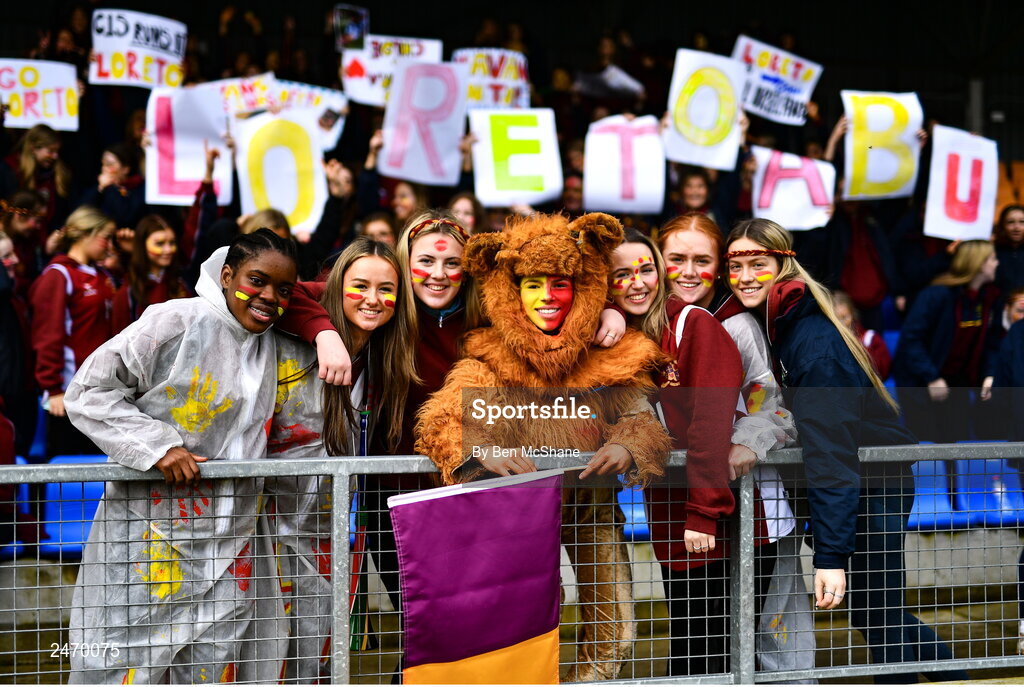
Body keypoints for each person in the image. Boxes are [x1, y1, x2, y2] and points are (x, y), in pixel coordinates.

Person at [414, 211, 672, 682]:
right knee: (521, 629)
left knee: (615, 627)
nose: (548, 297)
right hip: (517, 514)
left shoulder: (611, 352)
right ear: (512, 291)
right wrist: (479, 453)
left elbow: (641, 418)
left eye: (560, 283)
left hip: (591, 507)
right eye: (533, 284)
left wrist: (628, 445)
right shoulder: (489, 356)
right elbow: (442, 422)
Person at [725, 218, 967, 683]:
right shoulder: (779, 323)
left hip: (872, 487)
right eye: (737, 266)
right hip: (859, 486)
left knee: (878, 616)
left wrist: (831, 557)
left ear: (783, 266)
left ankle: (952, 672)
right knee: (878, 611)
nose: (747, 276)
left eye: (759, 263)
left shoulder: (812, 343)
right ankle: (956, 670)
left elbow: (831, 455)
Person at [64, 229, 298, 684]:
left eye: (283, 290)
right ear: (227, 275)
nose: (269, 297)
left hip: (230, 544)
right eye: (257, 280)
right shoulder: (177, 321)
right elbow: (89, 390)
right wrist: (157, 447)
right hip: (150, 538)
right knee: (121, 661)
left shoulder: (272, 344)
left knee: (210, 665)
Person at [652, 214, 803, 674]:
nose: (689, 271)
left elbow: (773, 406)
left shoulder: (736, 327)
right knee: (699, 644)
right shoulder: (655, 319)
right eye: (677, 259)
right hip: (685, 506)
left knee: (738, 649)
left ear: (718, 267)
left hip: (746, 511)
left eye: (703, 260)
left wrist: (741, 443)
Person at [266, 237, 416, 681]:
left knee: (314, 649)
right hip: (265, 520)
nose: (374, 299)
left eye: (386, 289)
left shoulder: (384, 349)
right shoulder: (300, 333)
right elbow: (277, 291)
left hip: (327, 527)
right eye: (360, 285)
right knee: (259, 642)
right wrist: (325, 332)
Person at [29, 206, 117, 458]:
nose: (110, 246)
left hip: (102, 391)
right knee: (69, 471)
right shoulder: (59, 275)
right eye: (106, 237)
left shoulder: (103, 274)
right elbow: (48, 334)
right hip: (69, 394)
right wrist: (53, 389)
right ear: (85, 234)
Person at [892, 240, 1001, 442]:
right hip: (922, 382)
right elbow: (911, 340)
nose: (997, 263)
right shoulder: (936, 295)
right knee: (926, 447)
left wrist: (988, 374)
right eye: (993, 259)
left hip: (957, 382)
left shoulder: (987, 298)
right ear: (979, 263)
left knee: (956, 442)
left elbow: (990, 344)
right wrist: (931, 377)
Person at [111, 215, 191, 335]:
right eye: (160, 244)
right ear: (142, 246)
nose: (168, 249)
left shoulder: (180, 283)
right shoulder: (127, 293)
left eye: (172, 242)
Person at [79, 143, 147, 230]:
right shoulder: (100, 188)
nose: (104, 169)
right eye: (103, 164)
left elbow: (124, 217)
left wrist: (112, 187)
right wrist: (99, 189)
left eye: (109, 164)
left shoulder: (138, 189)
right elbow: (81, 210)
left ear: (125, 169)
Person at [833, 290, 892, 380]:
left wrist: (863, 352)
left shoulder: (870, 339)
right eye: (836, 319)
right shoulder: (827, 344)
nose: (842, 324)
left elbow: (883, 372)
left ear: (852, 314)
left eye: (845, 317)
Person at [994, 204, 1024, 301]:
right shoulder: (993, 251)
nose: (1017, 227)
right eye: (1010, 222)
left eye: (1022, 222)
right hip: (998, 308)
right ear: (1003, 225)